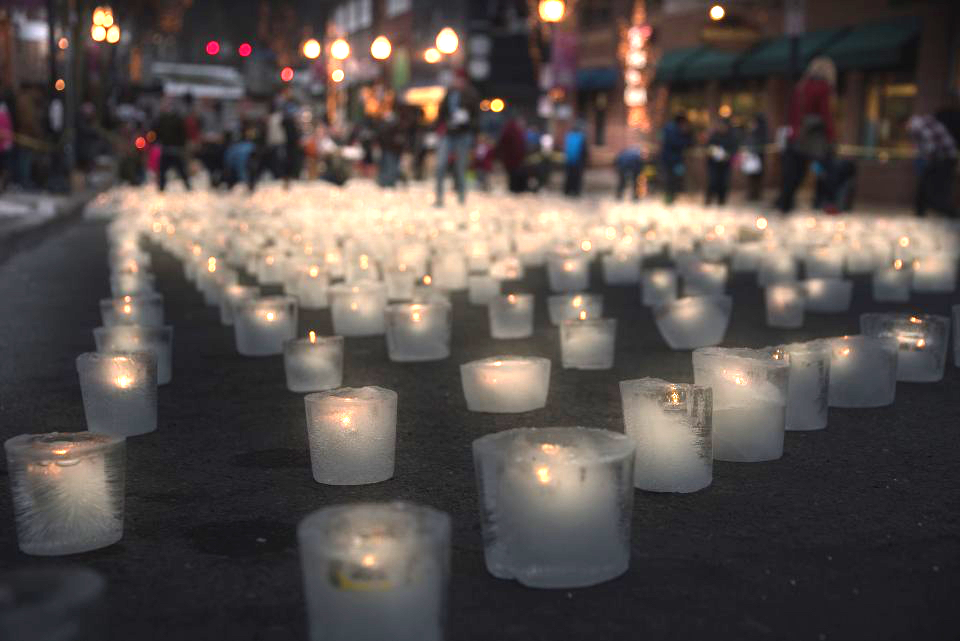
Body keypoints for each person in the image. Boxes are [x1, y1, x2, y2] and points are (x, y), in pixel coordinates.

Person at [775, 57, 837, 213]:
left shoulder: (801, 87)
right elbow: (826, 114)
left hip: (796, 135)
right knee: (824, 168)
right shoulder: (823, 87)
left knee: (795, 172)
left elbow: (791, 112)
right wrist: (831, 136)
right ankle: (824, 202)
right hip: (814, 136)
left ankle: (785, 203)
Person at [434, 69, 479, 207]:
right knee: (440, 166)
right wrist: (438, 127)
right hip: (448, 133)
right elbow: (441, 113)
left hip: (463, 135)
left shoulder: (471, 94)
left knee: (460, 167)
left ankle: (461, 198)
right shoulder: (449, 93)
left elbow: (476, 117)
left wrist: (466, 120)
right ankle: (439, 198)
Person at [907, 113, 958, 218]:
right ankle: (921, 211)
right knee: (933, 185)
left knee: (932, 185)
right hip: (947, 157)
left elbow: (929, 143)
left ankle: (949, 212)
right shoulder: (925, 121)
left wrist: (927, 157)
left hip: (942, 158)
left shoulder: (916, 126)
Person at [152, 98, 191, 191]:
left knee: (181, 171)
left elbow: (183, 134)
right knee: (163, 172)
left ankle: (188, 187)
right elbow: (156, 133)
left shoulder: (177, 119)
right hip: (165, 149)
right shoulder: (161, 119)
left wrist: (182, 145)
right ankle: (161, 188)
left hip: (175, 150)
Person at [704, 117, 738, 206]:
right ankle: (708, 199)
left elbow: (734, 149)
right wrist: (713, 151)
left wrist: (727, 155)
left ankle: (721, 200)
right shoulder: (714, 136)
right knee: (713, 181)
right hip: (713, 163)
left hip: (725, 164)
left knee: (724, 182)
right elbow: (708, 147)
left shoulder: (731, 137)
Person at [660, 114, 692, 205]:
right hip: (672, 159)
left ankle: (670, 198)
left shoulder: (669, 128)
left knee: (671, 179)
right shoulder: (673, 129)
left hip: (670, 158)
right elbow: (676, 143)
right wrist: (686, 137)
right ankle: (669, 198)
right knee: (671, 179)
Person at [497, 115, 527, 193]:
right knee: (514, 175)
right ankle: (514, 189)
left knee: (513, 175)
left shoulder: (511, 131)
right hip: (514, 159)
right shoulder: (516, 132)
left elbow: (501, 144)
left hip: (511, 159)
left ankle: (513, 189)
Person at [742, 114, 767, 201]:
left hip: (758, 158)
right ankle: (752, 194)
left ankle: (756, 194)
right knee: (751, 177)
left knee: (756, 177)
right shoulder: (752, 131)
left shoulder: (761, 132)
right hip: (751, 157)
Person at [562, 121, 588, 197]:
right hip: (578, 162)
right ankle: (576, 192)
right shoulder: (581, 137)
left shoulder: (569, 136)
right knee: (577, 178)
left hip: (568, 161)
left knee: (568, 177)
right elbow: (584, 151)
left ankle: (567, 191)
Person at [0, 96, 13, 192]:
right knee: (4, 167)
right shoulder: (5, 115)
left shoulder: (4, 115)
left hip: (4, 146)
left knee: (4, 167)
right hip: (5, 146)